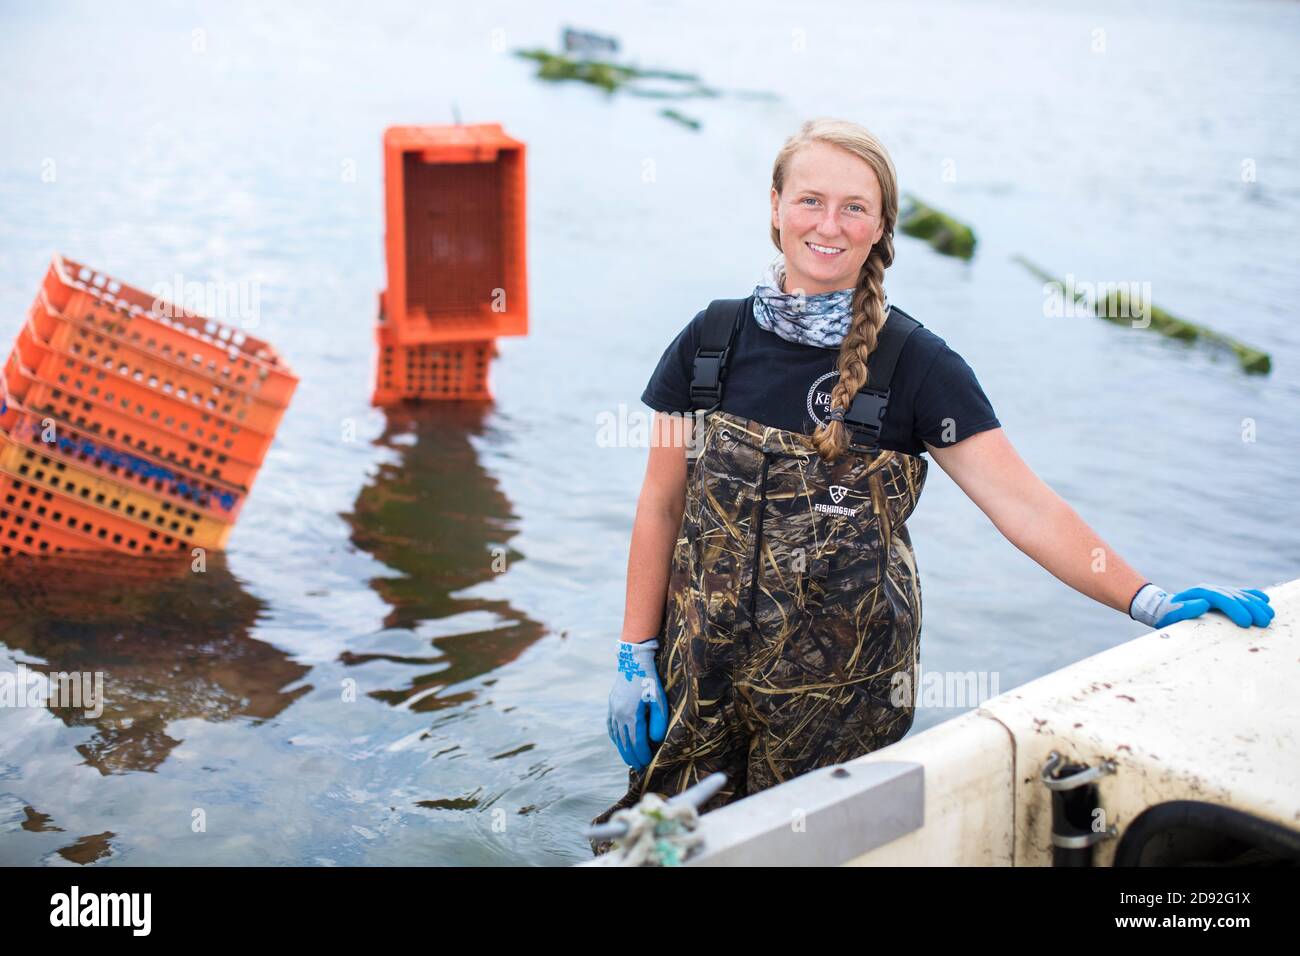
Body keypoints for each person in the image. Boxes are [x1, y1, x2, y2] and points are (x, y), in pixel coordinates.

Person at [589, 118, 1274, 857]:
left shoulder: (916, 364)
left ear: (881, 224)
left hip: (840, 700)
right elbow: (659, 506)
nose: (829, 224)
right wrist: (636, 651)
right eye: (810, 200)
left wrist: (1145, 598)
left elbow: (1025, 506)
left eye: (855, 206)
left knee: (802, 857)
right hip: (700, 672)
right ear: (776, 207)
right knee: (655, 845)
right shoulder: (709, 343)